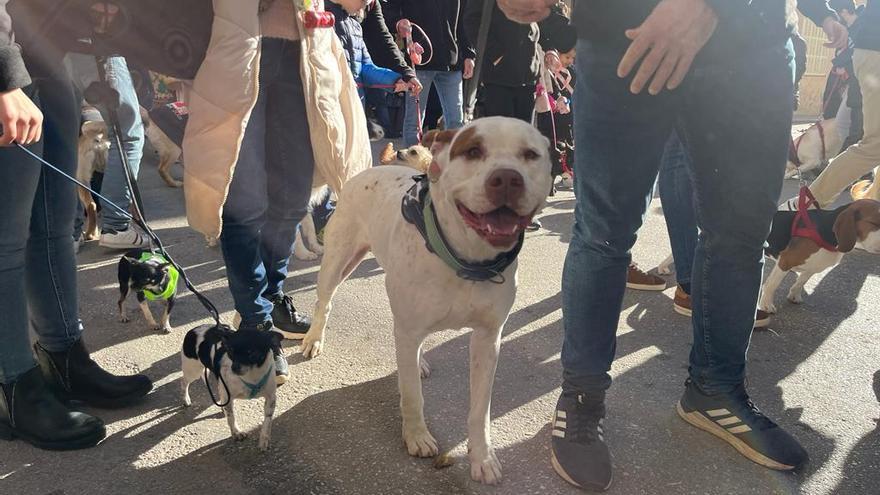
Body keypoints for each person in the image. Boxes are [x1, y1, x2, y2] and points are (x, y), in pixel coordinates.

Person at [499, 0, 847, 490]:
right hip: (625, 35)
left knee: (739, 236)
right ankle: (581, 397)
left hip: (748, 42)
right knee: (603, 233)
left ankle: (715, 390)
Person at [182, 0, 372, 385]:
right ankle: (255, 322)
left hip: (306, 50)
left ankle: (269, 299)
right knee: (244, 203)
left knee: (292, 201)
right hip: (238, 41)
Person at [0, 0, 152, 450]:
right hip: (10, 63)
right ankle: (13, 386)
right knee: (6, 240)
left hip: (46, 59)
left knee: (55, 225)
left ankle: (64, 359)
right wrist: (4, 73)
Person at [799, 0, 878, 208]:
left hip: (871, 50)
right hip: (876, 49)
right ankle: (804, 206)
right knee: (874, 145)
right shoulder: (859, 25)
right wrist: (824, 16)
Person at [67, 54, 149, 251]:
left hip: (57, 51)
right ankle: (115, 226)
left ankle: (70, 232)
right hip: (95, 50)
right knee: (128, 134)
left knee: (64, 141)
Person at [384, 0, 475, 146]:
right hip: (419, 60)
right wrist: (398, 22)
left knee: (456, 121)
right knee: (414, 123)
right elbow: (388, 8)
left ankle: (454, 159)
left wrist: (469, 54)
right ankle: (411, 160)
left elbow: (464, 21)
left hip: (451, 60)